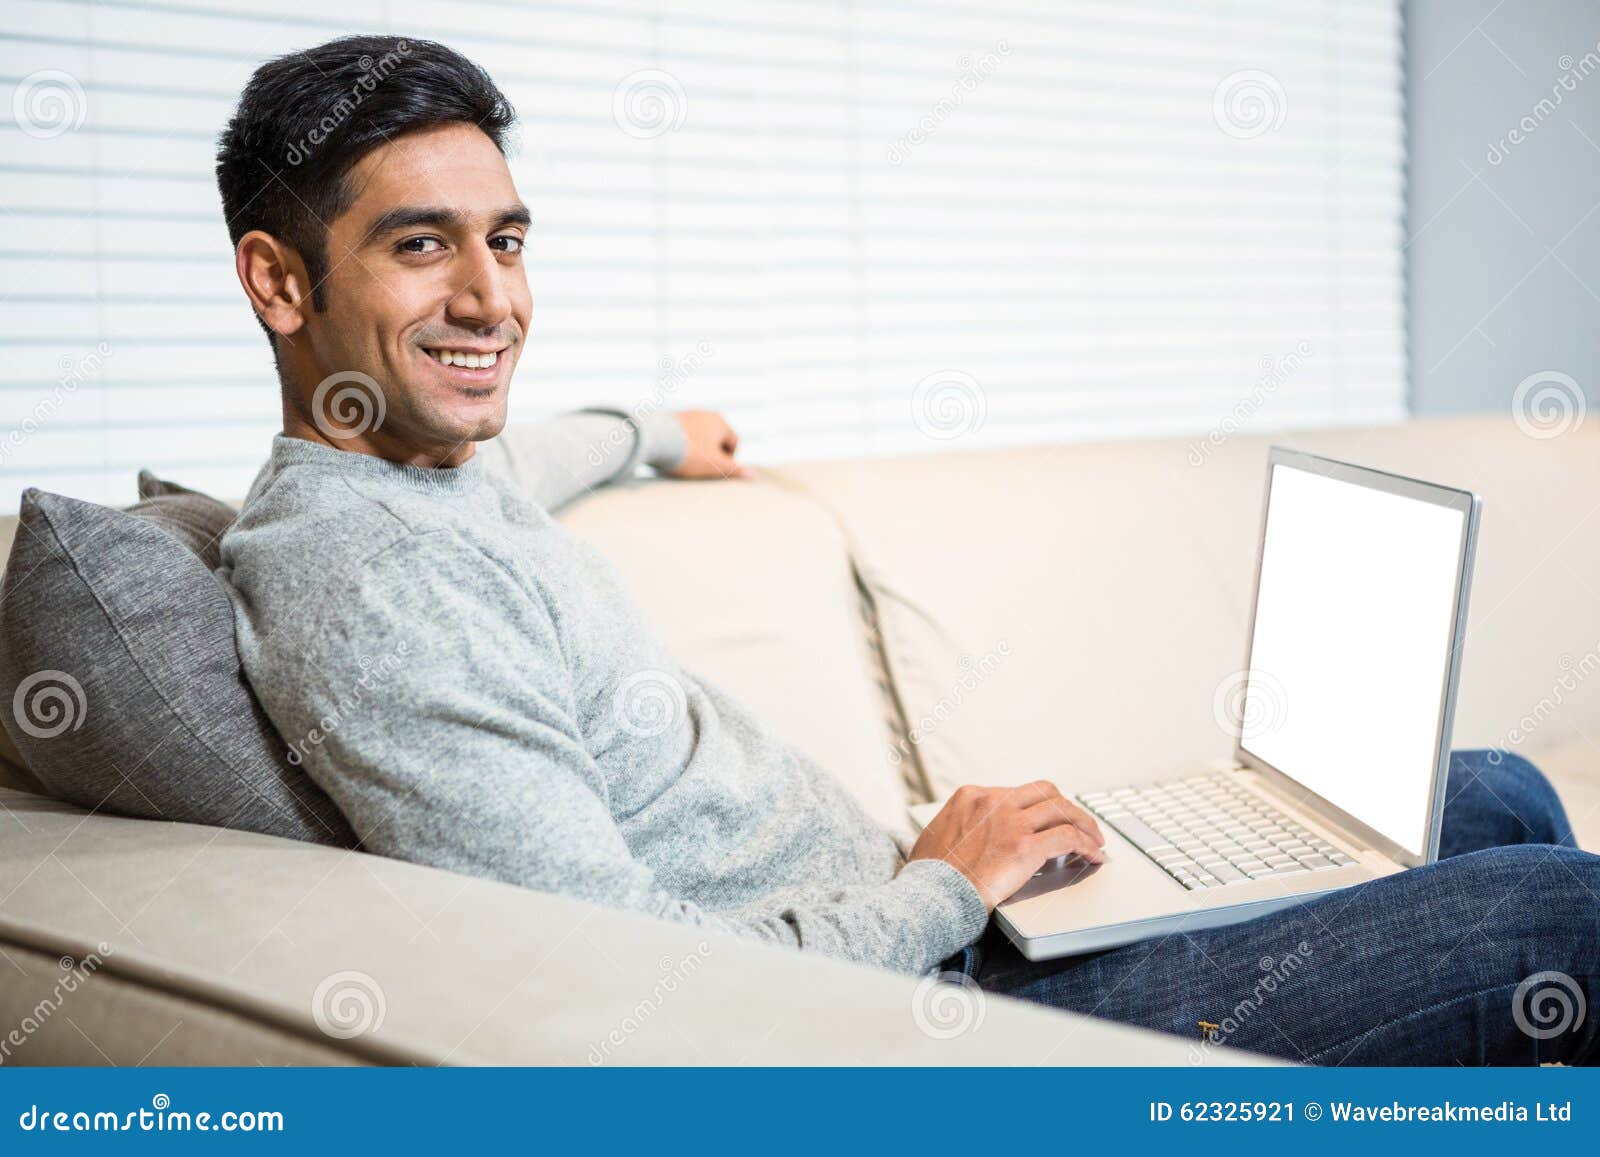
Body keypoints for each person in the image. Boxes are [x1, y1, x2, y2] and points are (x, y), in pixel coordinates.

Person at [215, 35, 1598, 1066]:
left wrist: (654, 426)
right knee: (1563, 913)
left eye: (507, 241)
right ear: (279, 279)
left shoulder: (415, 464)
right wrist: (941, 884)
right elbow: (627, 981)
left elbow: (522, 451)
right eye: (422, 247)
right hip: (933, 1023)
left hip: (933, 931)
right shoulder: (368, 583)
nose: (492, 299)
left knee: (1486, 791)